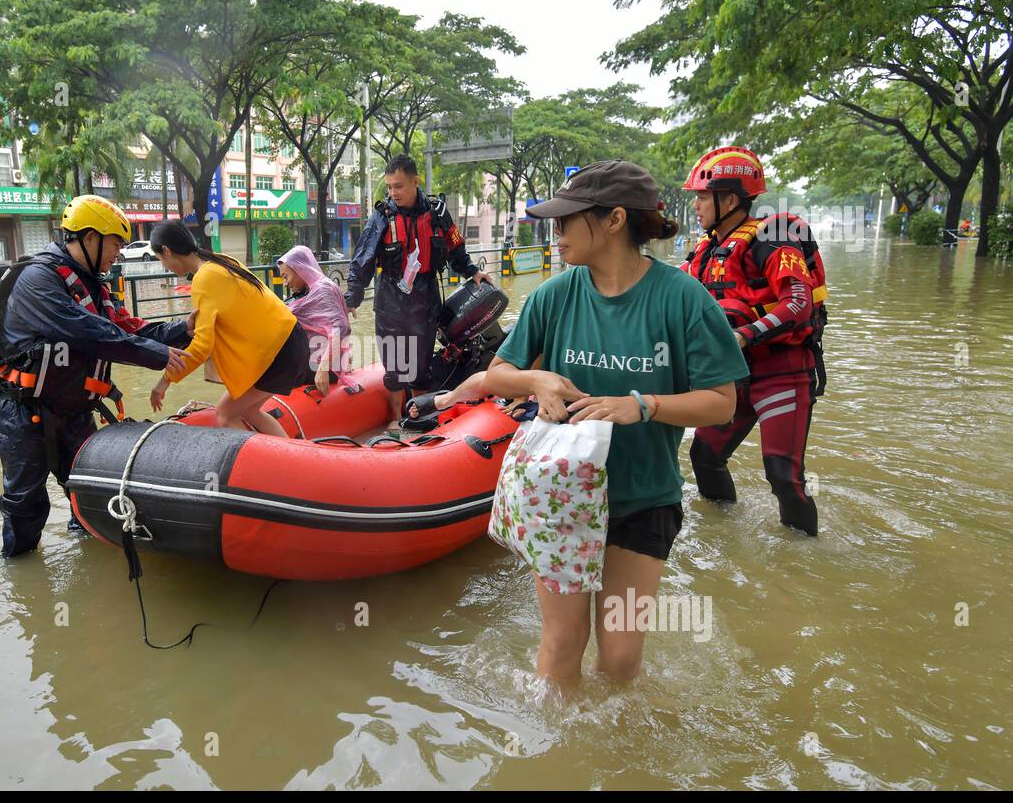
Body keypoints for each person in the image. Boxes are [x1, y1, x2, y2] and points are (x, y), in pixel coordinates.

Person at [481, 160, 749, 684]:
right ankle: (556, 754)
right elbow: (497, 374)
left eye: (565, 221)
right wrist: (537, 382)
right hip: (561, 500)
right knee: (562, 643)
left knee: (622, 656)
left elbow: (723, 403)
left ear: (614, 220)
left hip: (644, 498)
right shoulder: (552, 297)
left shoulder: (683, 298)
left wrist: (644, 405)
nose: (554, 234)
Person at [0, 195, 193, 558]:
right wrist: (159, 357)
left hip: (74, 412)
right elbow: (89, 333)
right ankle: (23, 579)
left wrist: (183, 328)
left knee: (88, 496)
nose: (118, 253)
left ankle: (89, 569)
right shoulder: (38, 280)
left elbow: (129, 331)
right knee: (24, 506)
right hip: (22, 414)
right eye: (115, 243)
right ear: (89, 238)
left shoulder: (92, 285)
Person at [679, 146, 827, 537]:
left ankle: (802, 556)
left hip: (782, 373)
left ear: (728, 199)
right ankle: (724, 537)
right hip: (734, 375)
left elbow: (797, 304)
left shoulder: (774, 239)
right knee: (705, 456)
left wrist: (739, 338)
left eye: (701, 196)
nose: (695, 204)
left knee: (783, 474)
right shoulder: (704, 251)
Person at [346, 155, 488, 430]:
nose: (393, 193)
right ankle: (393, 417)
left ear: (415, 181)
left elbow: (456, 246)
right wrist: (353, 295)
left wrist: (473, 271)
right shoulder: (382, 215)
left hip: (425, 295)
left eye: (398, 186)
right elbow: (363, 256)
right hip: (390, 296)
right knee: (394, 362)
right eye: (389, 187)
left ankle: (420, 415)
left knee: (420, 364)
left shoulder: (436, 213)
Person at [148, 220, 310, 437]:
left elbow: (202, 346)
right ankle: (289, 458)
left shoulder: (203, 279)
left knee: (225, 414)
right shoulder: (222, 261)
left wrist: (165, 380)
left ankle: (272, 465)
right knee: (250, 411)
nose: (164, 267)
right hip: (291, 340)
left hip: (278, 352)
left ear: (167, 251)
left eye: (161, 260)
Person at [276, 245, 353, 394]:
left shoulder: (322, 290)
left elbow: (340, 329)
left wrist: (323, 368)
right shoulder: (310, 290)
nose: (285, 283)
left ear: (300, 269)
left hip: (322, 366)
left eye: (286, 276)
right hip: (315, 359)